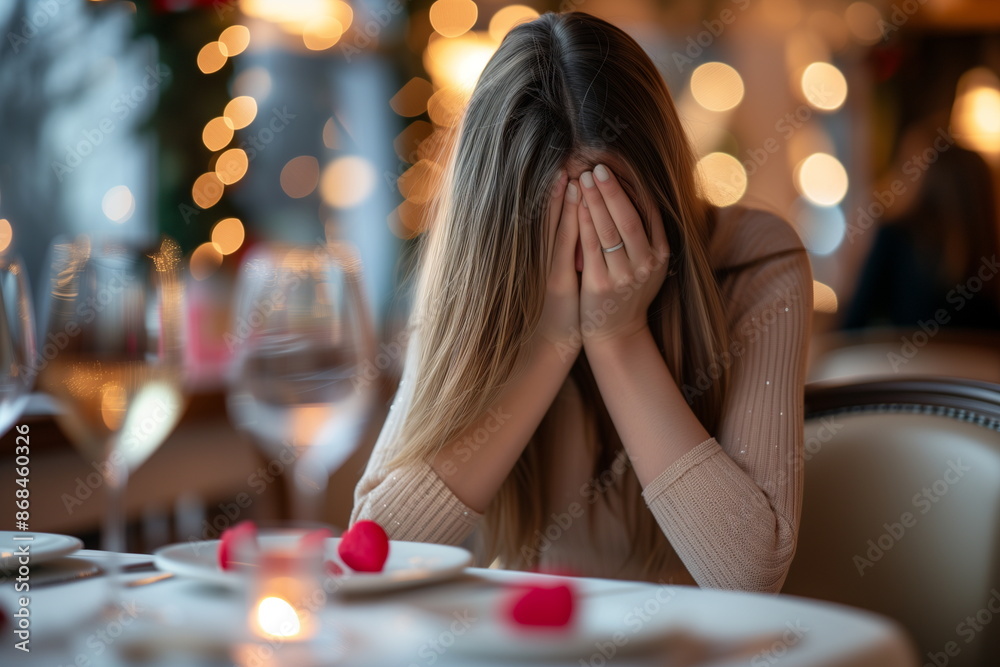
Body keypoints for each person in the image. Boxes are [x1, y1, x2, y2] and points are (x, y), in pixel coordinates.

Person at [351, 11, 812, 592]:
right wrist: (550, 341)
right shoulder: (467, 280)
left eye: (607, 213)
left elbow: (749, 575)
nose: (585, 252)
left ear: (661, 190)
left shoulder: (756, 261)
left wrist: (619, 336)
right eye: (556, 226)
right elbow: (373, 551)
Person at [843, 141, 1000, 331]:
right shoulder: (989, 256)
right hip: (982, 361)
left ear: (927, 181)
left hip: (905, 359)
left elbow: (852, 325)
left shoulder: (895, 236)